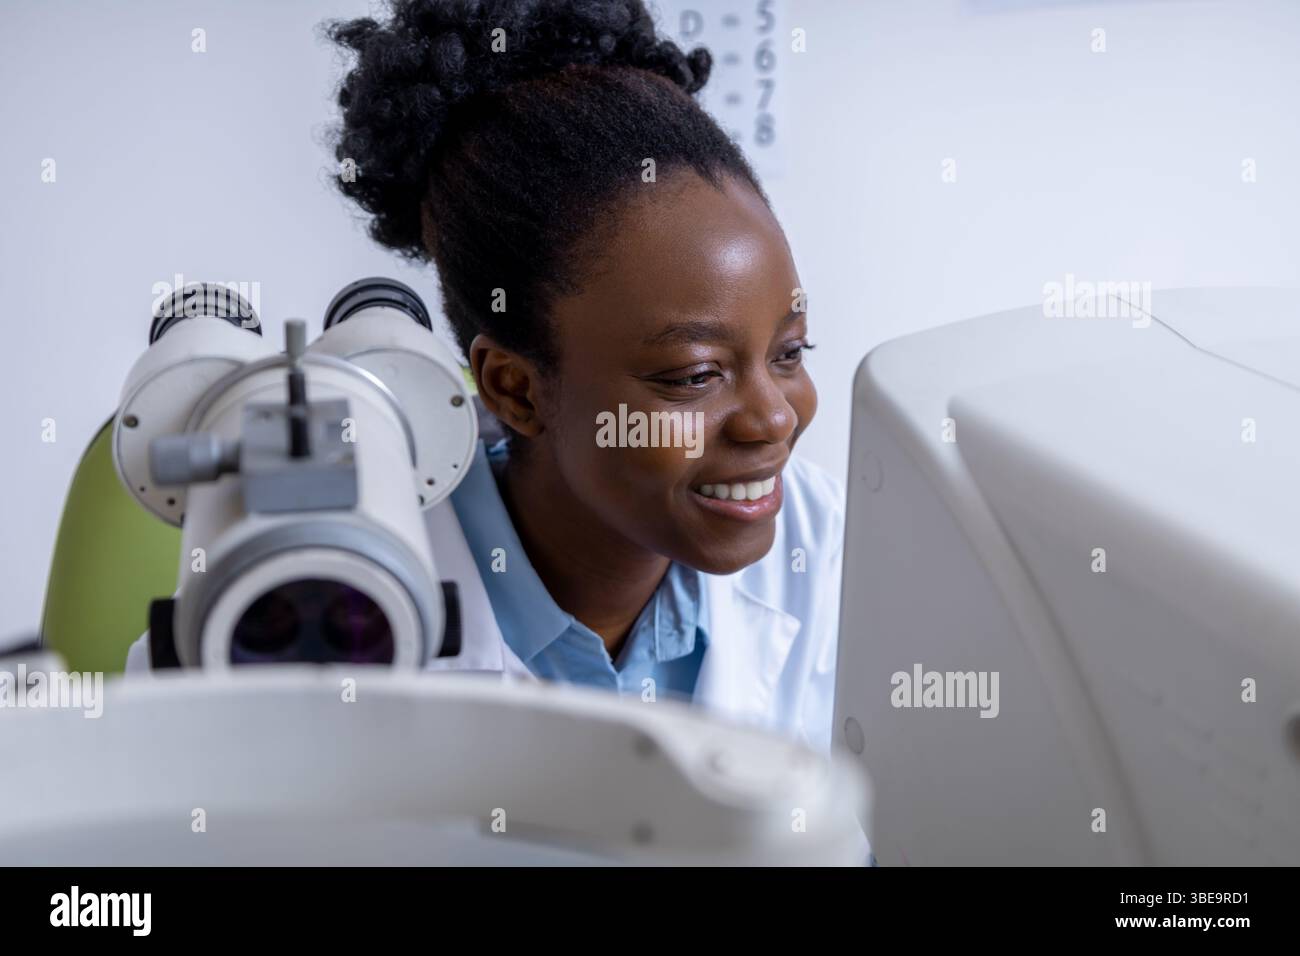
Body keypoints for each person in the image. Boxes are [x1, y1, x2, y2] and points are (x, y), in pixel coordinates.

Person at [131, 0, 846, 758]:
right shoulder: (308, 604)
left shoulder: (820, 536)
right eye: (695, 375)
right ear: (514, 389)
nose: (773, 420)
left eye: (789, 353)